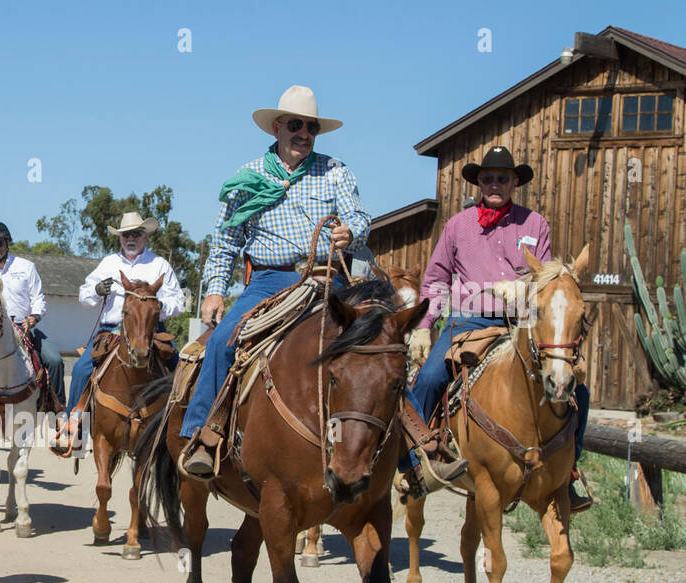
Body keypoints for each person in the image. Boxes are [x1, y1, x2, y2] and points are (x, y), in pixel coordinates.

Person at [179, 85, 369, 479]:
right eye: (296, 125)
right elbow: (226, 241)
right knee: (221, 341)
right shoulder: (247, 178)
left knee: (377, 343)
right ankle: (203, 434)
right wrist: (215, 290)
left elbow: (360, 217)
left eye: (311, 127)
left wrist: (350, 232)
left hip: (326, 277)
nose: (304, 133)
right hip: (269, 280)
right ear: (277, 128)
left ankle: (415, 452)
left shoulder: (335, 171)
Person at [402, 145, 591, 510]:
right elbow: (437, 279)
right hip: (467, 320)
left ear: (514, 182)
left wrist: (522, 291)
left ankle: (568, 472)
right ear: (478, 182)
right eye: (487, 178)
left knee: (575, 390)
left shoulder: (535, 223)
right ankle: (417, 463)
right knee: (427, 380)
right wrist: (425, 325)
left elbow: (547, 278)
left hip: (521, 323)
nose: (494, 184)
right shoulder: (458, 225)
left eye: (502, 178)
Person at [51, 211, 184, 455]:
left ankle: (181, 429)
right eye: (126, 235)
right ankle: (73, 431)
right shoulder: (108, 264)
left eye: (136, 234)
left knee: (180, 371)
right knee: (81, 370)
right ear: (120, 238)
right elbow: (84, 297)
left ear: (145, 236)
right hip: (111, 332)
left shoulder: (159, 265)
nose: (130, 238)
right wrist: (97, 290)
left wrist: (160, 306)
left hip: (151, 332)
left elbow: (178, 301)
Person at [0, 216, 65, 408]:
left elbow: (38, 298)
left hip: (24, 328)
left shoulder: (26, 267)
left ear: (7, 242)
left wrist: (34, 317)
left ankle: (58, 409)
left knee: (55, 360)